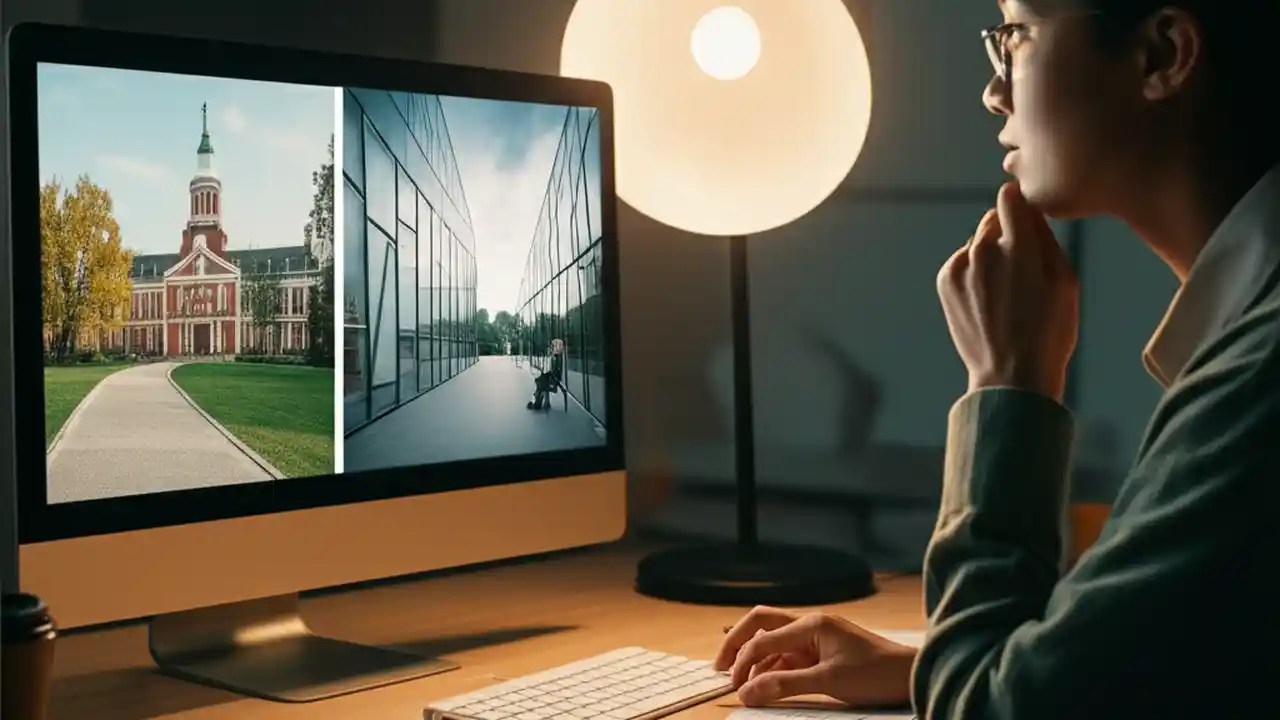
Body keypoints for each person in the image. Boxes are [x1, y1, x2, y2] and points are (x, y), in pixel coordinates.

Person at [714, 1, 1280, 717]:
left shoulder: (1261, 376)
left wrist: (1008, 383)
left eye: (1016, 34)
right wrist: (944, 666)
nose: (993, 89)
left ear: (1162, 56)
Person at [527, 338, 564, 409]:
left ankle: (536, 403)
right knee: (539, 382)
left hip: (552, 379)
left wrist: (545, 373)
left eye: (552, 346)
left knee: (540, 383)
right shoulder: (557, 357)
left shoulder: (555, 358)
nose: (551, 348)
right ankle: (538, 402)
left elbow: (552, 371)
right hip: (552, 377)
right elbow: (552, 370)